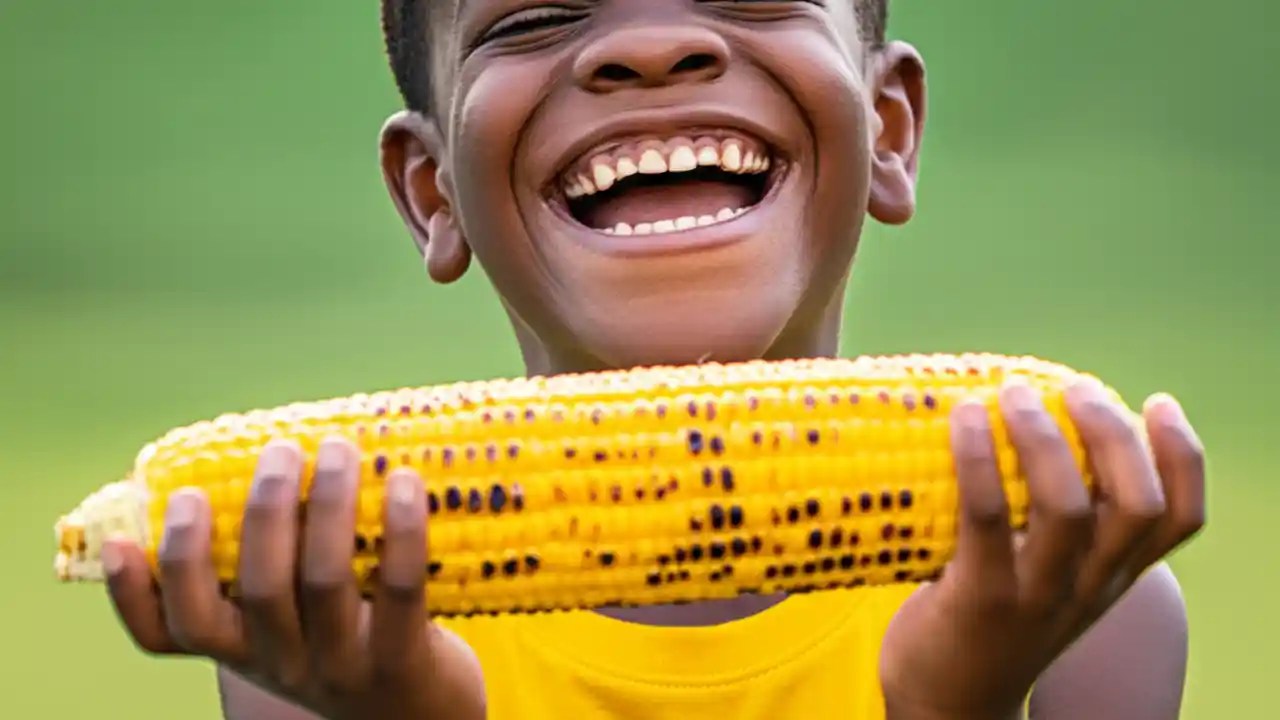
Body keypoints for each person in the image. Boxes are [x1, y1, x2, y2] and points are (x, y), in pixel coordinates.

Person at [98, 1, 1209, 718]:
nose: (649, 46)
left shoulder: (1078, 593)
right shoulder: (322, 622)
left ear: (889, 130)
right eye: (533, 17)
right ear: (432, 195)